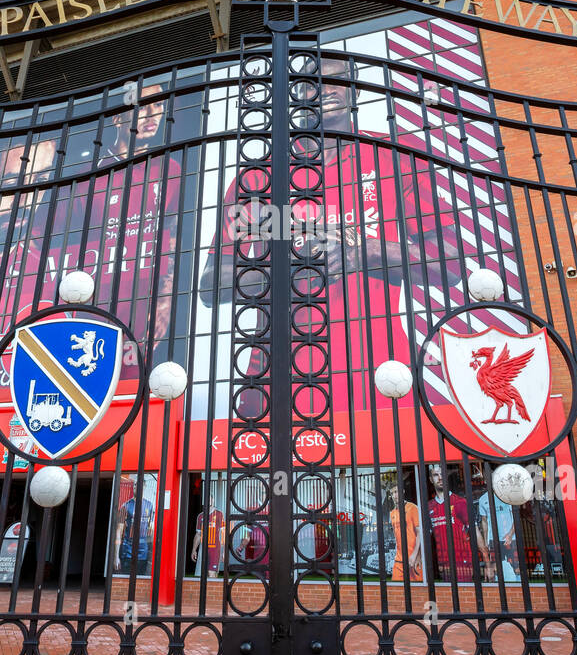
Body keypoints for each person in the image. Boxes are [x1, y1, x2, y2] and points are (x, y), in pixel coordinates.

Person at [197, 55, 460, 414]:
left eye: (337, 80)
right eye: (311, 83)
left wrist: (367, 252)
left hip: (380, 368)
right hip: (276, 375)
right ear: (297, 95)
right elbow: (211, 283)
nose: (325, 90)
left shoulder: (394, 156)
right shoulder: (259, 177)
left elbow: (450, 262)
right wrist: (285, 268)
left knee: (394, 461)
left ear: (354, 90)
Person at [0, 83, 180, 395]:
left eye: (39, 181)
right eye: (14, 183)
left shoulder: (171, 169)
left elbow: (168, 243)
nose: (27, 198)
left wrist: (161, 300)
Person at [427, 463, 474, 582]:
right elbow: (425, 536)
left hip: (463, 563)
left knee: (464, 597)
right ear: (431, 479)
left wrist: (487, 561)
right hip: (443, 564)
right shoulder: (429, 507)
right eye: (436, 475)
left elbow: (475, 532)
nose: (440, 477)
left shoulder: (459, 502)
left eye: (442, 474)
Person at [475, 464, 518, 582]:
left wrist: (510, 534)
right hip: (493, 540)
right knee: (496, 569)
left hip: (509, 539)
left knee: (516, 569)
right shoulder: (483, 500)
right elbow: (484, 522)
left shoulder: (507, 495)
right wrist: (486, 540)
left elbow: (515, 517)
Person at [113, 473, 157, 575]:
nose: (138, 487)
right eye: (136, 484)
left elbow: (151, 529)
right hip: (127, 549)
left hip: (143, 550)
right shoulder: (125, 506)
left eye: (141, 485)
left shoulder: (149, 506)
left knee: (140, 579)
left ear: (144, 487)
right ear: (134, 487)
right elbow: (118, 532)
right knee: (127, 578)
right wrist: (116, 556)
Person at [386, 477, 423, 583]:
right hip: (399, 561)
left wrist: (416, 555)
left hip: (414, 559)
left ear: (402, 491)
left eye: (397, 492)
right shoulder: (392, 513)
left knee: (418, 591)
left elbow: (420, 533)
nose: (395, 495)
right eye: (392, 493)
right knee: (396, 589)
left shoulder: (413, 508)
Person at [192, 489, 225, 577]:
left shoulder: (219, 514)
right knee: (203, 574)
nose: (208, 500)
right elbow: (198, 534)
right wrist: (194, 550)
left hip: (215, 548)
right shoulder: (200, 516)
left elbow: (223, 534)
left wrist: (223, 551)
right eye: (206, 499)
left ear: (213, 500)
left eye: (210, 498)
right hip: (203, 548)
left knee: (212, 573)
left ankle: (213, 591)